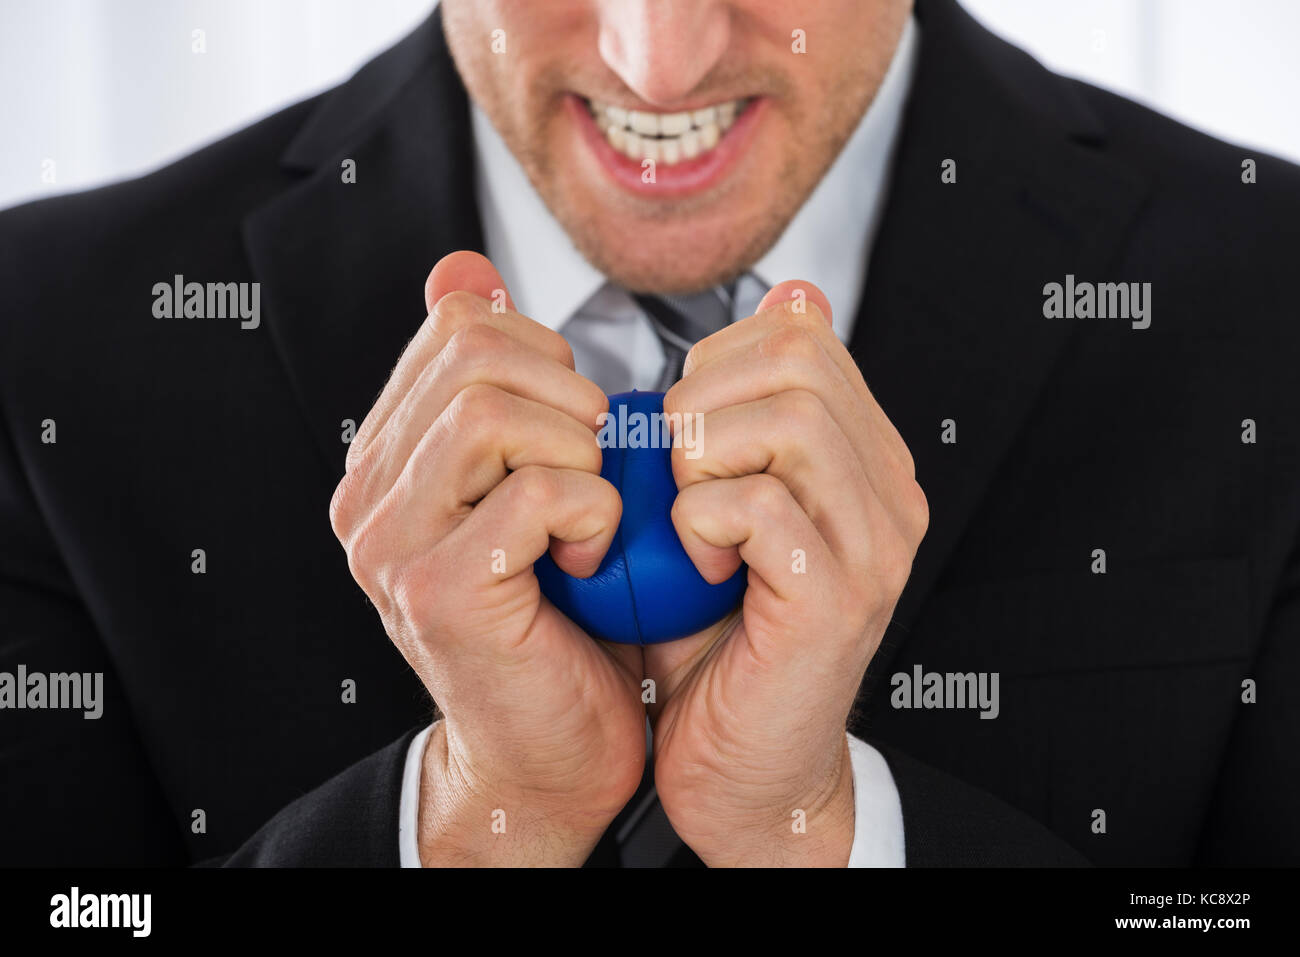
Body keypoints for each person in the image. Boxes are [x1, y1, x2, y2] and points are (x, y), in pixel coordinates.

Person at [1, 0, 1296, 867]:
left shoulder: (1270, 303)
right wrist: (469, 826)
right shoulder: (40, 339)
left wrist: (825, 835)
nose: (655, 60)